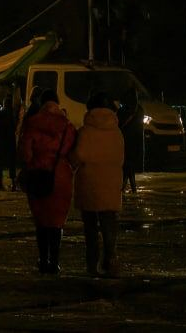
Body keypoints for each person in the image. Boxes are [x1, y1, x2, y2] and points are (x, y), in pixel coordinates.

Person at [19, 89, 76, 274]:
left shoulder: (32, 123)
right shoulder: (67, 126)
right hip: (61, 176)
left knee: (41, 220)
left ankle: (43, 260)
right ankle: (55, 261)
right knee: (57, 221)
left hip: (37, 173)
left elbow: (26, 154)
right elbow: (72, 153)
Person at [70, 92, 124, 278]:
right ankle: (110, 259)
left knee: (91, 228)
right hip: (111, 184)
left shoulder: (85, 132)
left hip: (90, 185)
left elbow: (79, 156)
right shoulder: (116, 132)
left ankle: (92, 263)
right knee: (109, 225)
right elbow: (121, 158)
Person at [117, 91, 145, 193]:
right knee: (130, 166)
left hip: (125, 140)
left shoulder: (122, 110)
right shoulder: (139, 110)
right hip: (136, 142)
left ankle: (126, 188)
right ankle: (132, 188)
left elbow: (118, 124)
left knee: (127, 166)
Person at [0, 99, 17, 191]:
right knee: (11, 163)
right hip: (10, 141)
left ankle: (0, 183)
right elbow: (14, 127)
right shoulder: (12, 115)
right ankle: (13, 183)